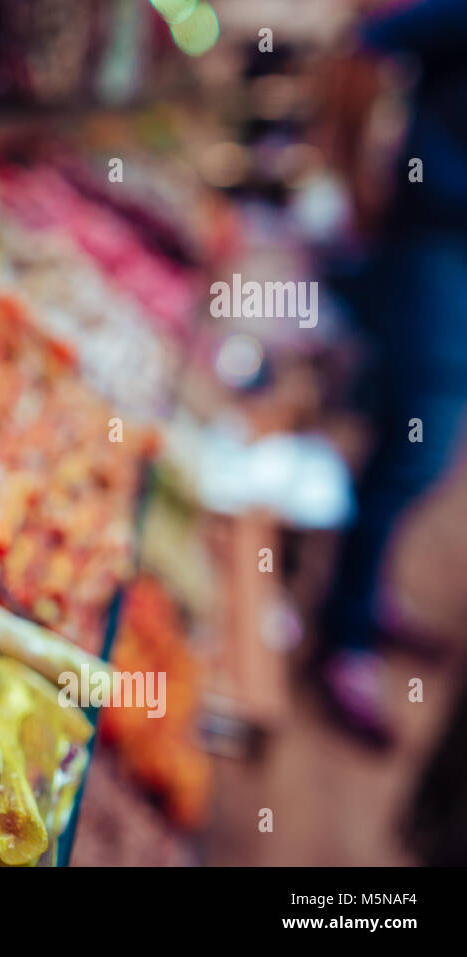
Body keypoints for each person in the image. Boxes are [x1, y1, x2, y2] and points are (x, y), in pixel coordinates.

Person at [316, 0, 467, 746]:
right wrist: (352, 176)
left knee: (410, 446)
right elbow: (362, 45)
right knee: (417, 450)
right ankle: (345, 636)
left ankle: (360, 594)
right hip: (437, 245)